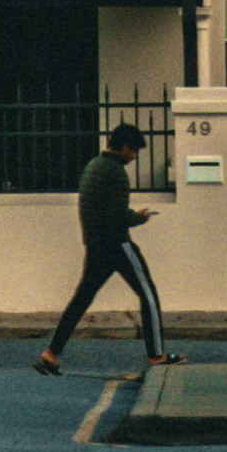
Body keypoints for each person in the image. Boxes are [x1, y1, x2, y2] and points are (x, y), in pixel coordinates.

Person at [38, 121, 169, 372]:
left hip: (95, 244)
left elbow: (98, 208)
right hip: (117, 244)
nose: (134, 156)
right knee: (148, 294)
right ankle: (156, 354)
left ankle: (51, 353)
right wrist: (138, 218)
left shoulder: (93, 166)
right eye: (134, 151)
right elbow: (117, 215)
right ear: (125, 147)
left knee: (81, 299)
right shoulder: (116, 172)